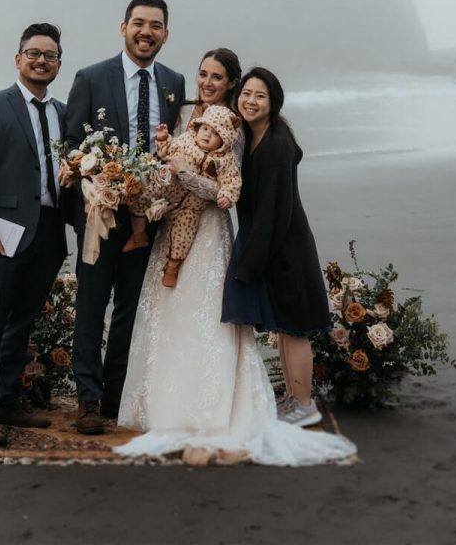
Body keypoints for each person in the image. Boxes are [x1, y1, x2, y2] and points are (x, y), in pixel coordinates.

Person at [115, 52, 355, 466]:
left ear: (232, 83)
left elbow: (228, 189)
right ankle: (165, 402)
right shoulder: (187, 113)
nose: (208, 82)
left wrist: (185, 175)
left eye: (218, 77)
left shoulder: (238, 127)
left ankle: (234, 403)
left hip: (214, 231)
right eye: (203, 74)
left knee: (212, 316)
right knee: (170, 311)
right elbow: (167, 160)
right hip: (175, 226)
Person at [60, 0, 186, 434]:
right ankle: (87, 400)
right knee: (92, 305)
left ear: (165, 34)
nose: (146, 32)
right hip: (101, 216)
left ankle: (116, 393)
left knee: (131, 307)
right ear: (123, 28)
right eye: (139, 23)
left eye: (155, 25)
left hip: (149, 218)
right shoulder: (92, 77)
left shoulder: (173, 82)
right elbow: (71, 143)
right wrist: (95, 178)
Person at [0, 23, 70, 447]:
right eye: (34, 53)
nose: (41, 60)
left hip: (50, 230)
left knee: (22, 322)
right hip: (4, 231)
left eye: (50, 55)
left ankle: (7, 400)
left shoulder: (64, 113)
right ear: (18, 58)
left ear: (59, 64)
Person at [224, 67, 333, 428]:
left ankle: (304, 403)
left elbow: (274, 211)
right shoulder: (252, 136)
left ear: (273, 102)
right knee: (284, 327)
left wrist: (249, 263)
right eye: (246, 94)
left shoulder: (276, 144)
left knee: (295, 329)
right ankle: (292, 398)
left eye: (260, 96)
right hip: (275, 246)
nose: (250, 101)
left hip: (288, 249)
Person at [123, 103, 242, 288]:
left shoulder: (225, 160)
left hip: (192, 206)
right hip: (167, 189)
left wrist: (227, 195)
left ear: (225, 140)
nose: (208, 135)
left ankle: (172, 268)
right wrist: (163, 139)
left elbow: (232, 181)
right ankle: (139, 234)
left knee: (184, 233)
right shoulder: (187, 140)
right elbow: (167, 151)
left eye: (216, 134)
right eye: (205, 129)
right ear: (198, 127)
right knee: (142, 195)